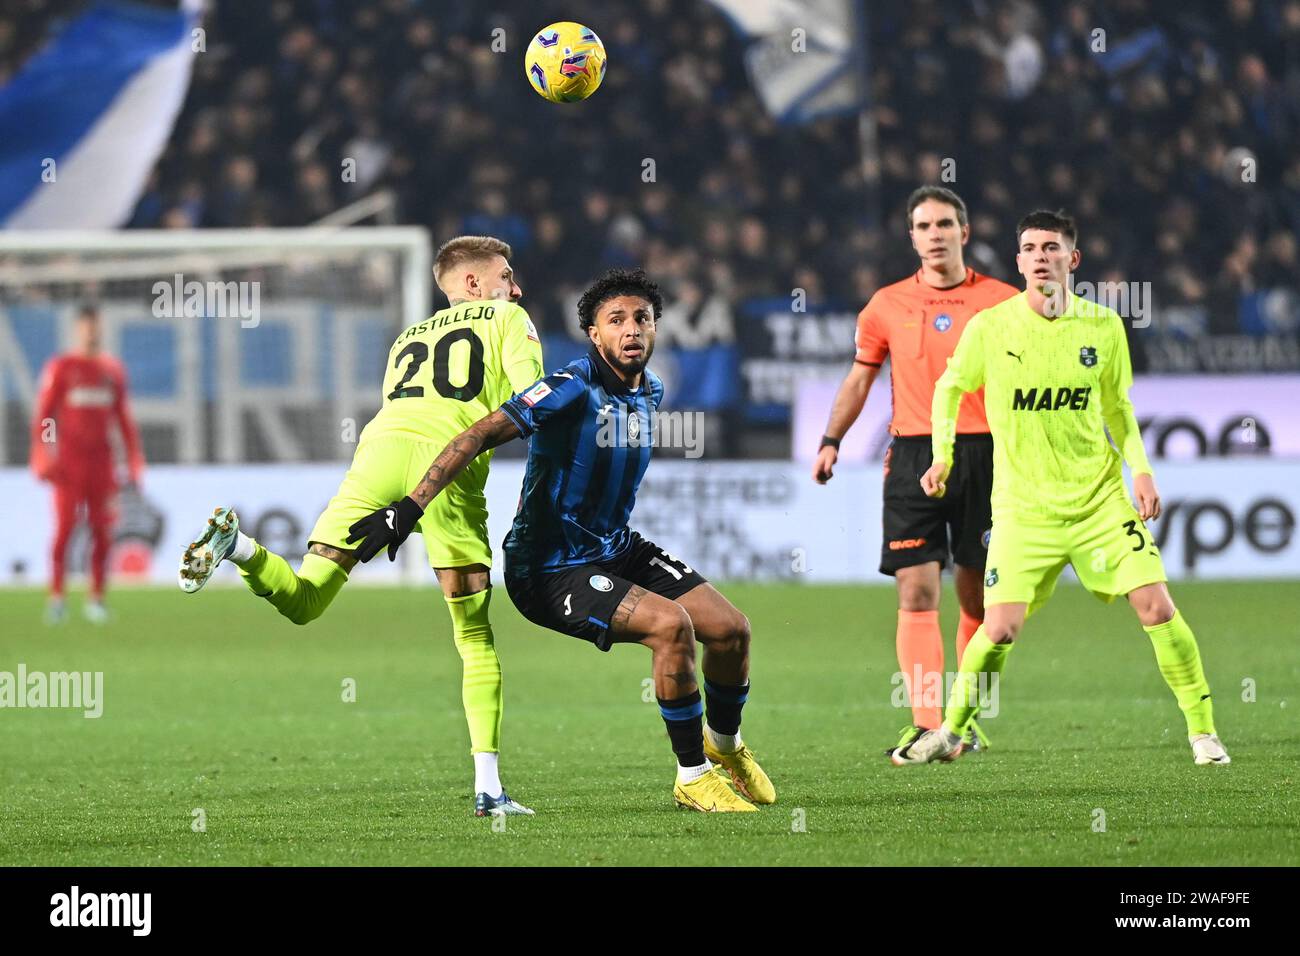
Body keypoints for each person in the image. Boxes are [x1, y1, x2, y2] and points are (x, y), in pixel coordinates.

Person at [346, 268, 775, 812]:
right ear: (594, 334)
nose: (631, 329)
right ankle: (692, 778)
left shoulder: (652, 390)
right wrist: (410, 507)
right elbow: (477, 434)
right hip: (548, 568)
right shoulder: (570, 386)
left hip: (616, 547)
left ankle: (725, 746)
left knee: (732, 631)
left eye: (642, 318)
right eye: (615, 320)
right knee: (671, 627)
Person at [178, 236, 547, 815]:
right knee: (474, 635)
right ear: (474, 284)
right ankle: (489, 789)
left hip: (377, 454)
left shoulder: (407, 338)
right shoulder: (509, 318)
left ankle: (240, 546)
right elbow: (535, 401)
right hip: (446, 461)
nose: (516, 288)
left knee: (306, 599)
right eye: (506, 275)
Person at [895, 209, 1229, 766]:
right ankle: (951, 731)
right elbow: (950, 388)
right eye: (1030, 248)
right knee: (999, 629)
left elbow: (1118, 408)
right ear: (1018, 261)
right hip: (1024, 511)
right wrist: (943, 455)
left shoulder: (1104, 326)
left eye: (1051, 247)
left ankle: (1203, 733)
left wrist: (1141, 469)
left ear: (1072, 259)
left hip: (1100, 501)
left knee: (1156, 607)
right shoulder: (992, 328)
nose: (1041, 257)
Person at [813, 186, 1017, 757]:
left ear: (964, 233)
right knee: (917, 587)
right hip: (913, 454)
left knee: (978, 599)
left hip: (986, 453)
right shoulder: (885, 305)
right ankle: (928, 723)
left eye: (944, 224)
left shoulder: (1003, 302)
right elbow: (860, 378)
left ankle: (963, 721)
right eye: (924, 226)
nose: (935, 235)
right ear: (912, 237)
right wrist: (831, 440)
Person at [31, 305, 144, 624]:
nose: (91, 333)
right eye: (86, 327)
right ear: (77, 329)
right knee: (64, 530)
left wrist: (133, 459)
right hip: (68, 466)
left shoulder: (112, 370)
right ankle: (57, 597)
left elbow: (122, 420)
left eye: (95, 327)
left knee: (102, 531)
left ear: (101, 329)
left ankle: (96, 598)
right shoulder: (62, 367)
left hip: (102, 465)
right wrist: (44, 452)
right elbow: (46, 415)